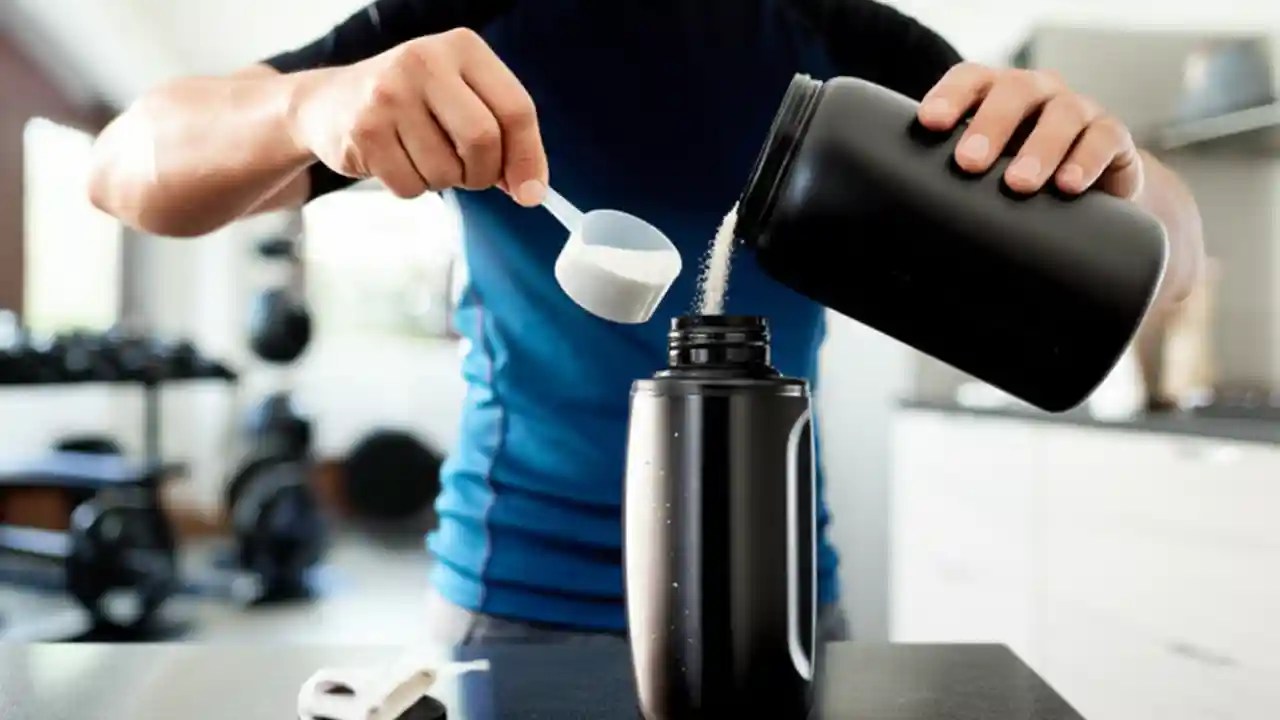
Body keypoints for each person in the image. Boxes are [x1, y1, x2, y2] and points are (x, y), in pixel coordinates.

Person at [88, 0, 1204, 645]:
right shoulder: (458, 23)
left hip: (781, 607)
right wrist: (304, 105)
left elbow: (1174, 255)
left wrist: (1112, 172)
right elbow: (124, 168)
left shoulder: (842, 39)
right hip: (505, 602)